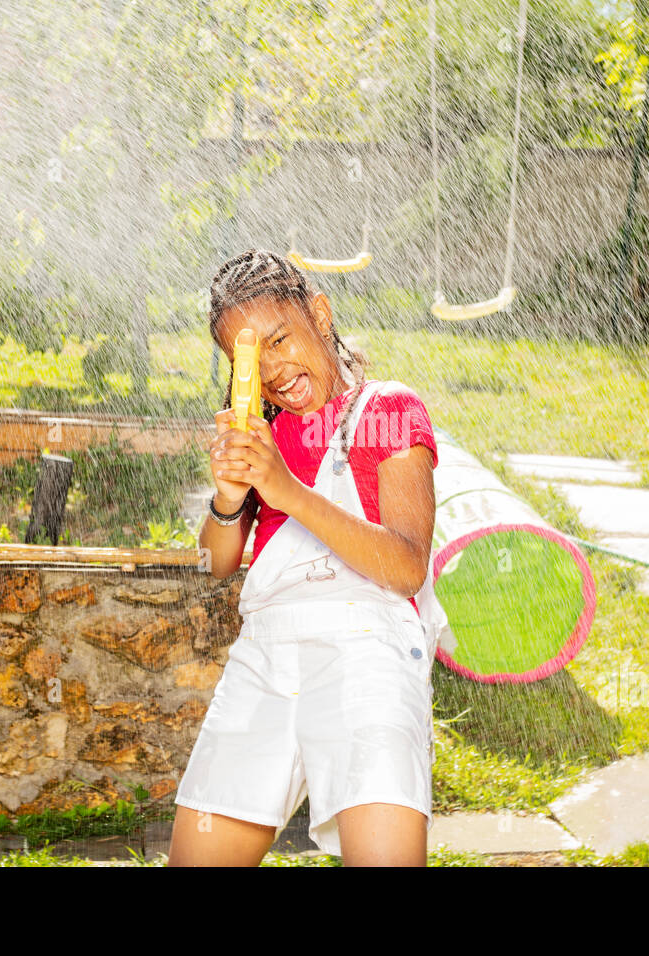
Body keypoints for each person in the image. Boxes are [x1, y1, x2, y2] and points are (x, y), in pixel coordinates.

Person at [168, 249, 440, 867]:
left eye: (280, 339)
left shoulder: (387, 410)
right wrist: (229, 498)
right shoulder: (262, 432)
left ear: (319, 314)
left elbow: (405, 568)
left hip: (370, 653)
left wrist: (284, 488)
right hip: (266, 655)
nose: (271, 370)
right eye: (247, 356)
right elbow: (215, 564)